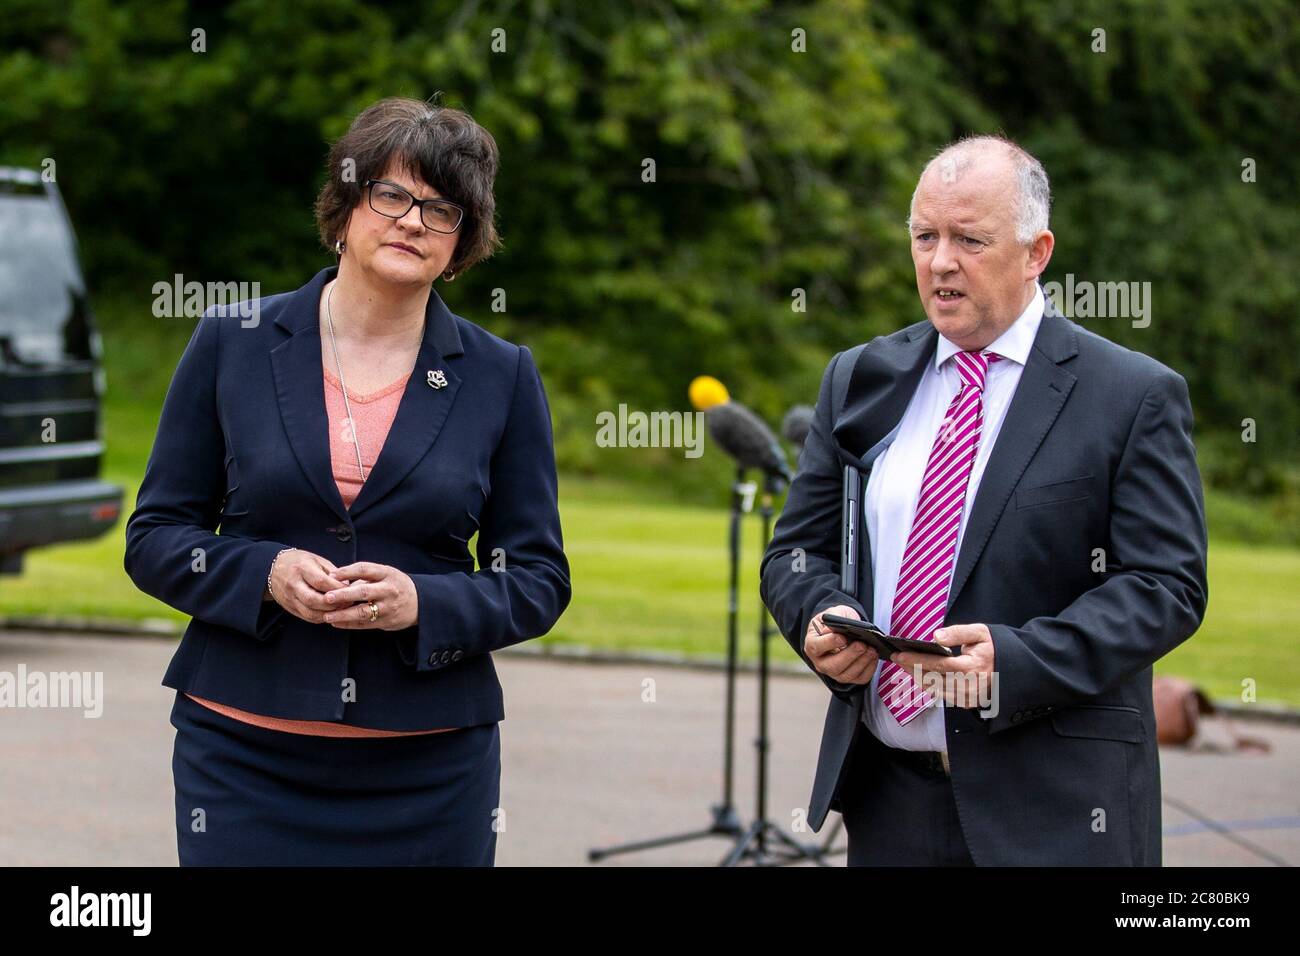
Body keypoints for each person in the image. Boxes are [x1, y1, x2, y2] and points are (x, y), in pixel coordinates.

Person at [123, 96, 571, 866]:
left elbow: (536, 579)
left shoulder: (503, 377)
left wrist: (421, 602)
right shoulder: (231, 342)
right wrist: (263, 571)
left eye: (442, 209)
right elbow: (156, 537)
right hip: (242, 752)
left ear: (462, 242)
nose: (413, 221)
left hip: (430, 767)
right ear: (344, 209)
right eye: (391, 195)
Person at [760, 135, 1208, 866]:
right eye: (925, 236)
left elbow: (1167, 587)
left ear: (1037, 252)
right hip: (888, 800)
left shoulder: (1130, 395)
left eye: (969, 239)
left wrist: (1019, 659)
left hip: (1056, 811)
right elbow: (795, 552)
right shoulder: (859, 378)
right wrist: (821, 614)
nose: (940, 262)